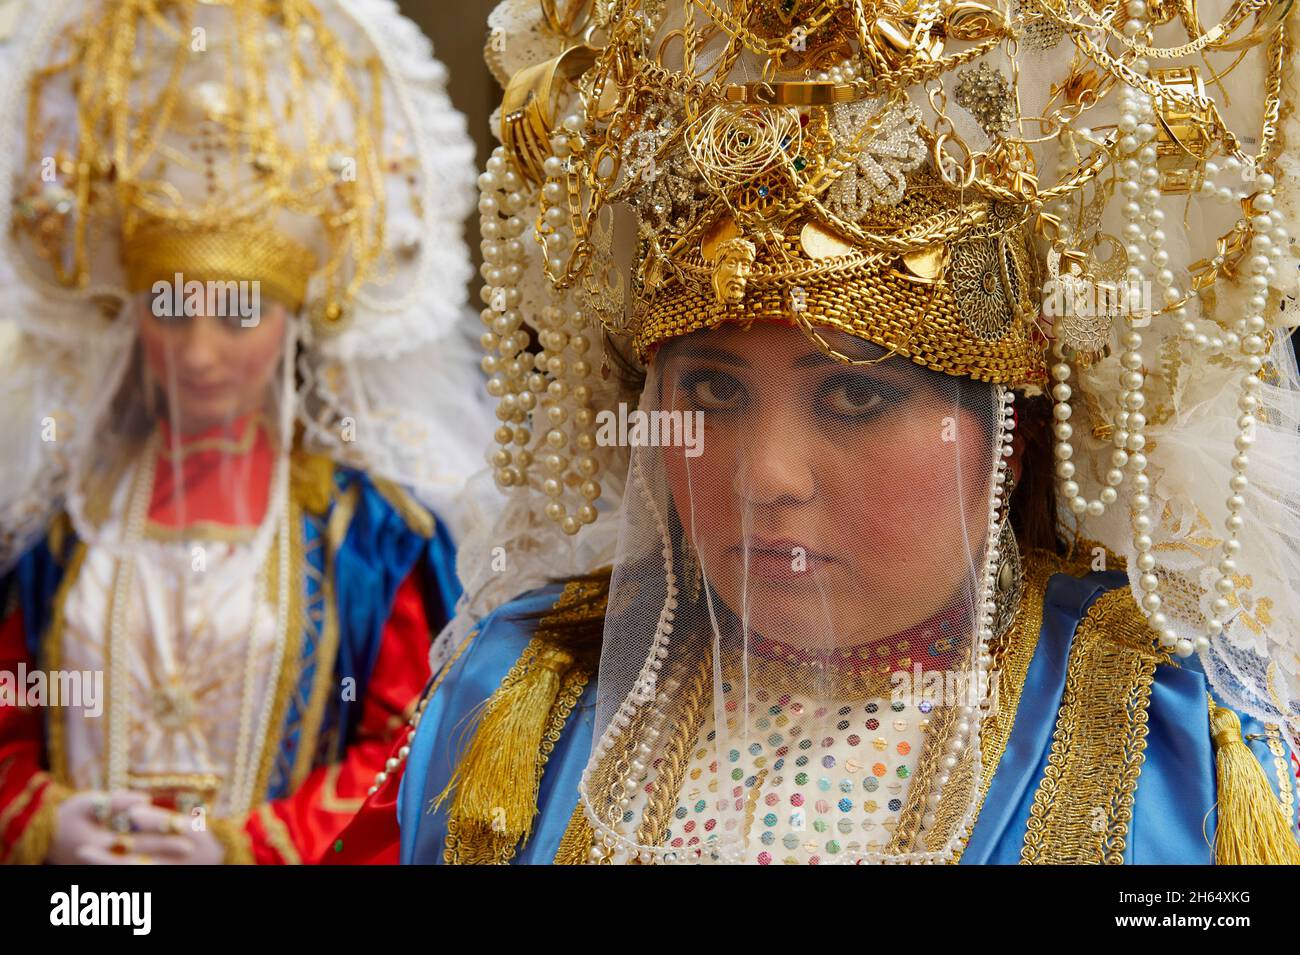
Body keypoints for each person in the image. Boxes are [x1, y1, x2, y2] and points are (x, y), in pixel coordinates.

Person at [333, 0, 1300, 864]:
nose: (766, 475)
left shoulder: (1156, 739)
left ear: (1009, 425)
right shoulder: (521, 699)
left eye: (852, 398)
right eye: (712, 391)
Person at [0, 0, 489, 864]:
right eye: (171, 310)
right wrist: (40, 819)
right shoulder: (61, 522)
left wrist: (251, 846)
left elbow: (415, 748)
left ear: (294, 323)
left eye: (239, 314)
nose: (198, 353)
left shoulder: (370, 537)